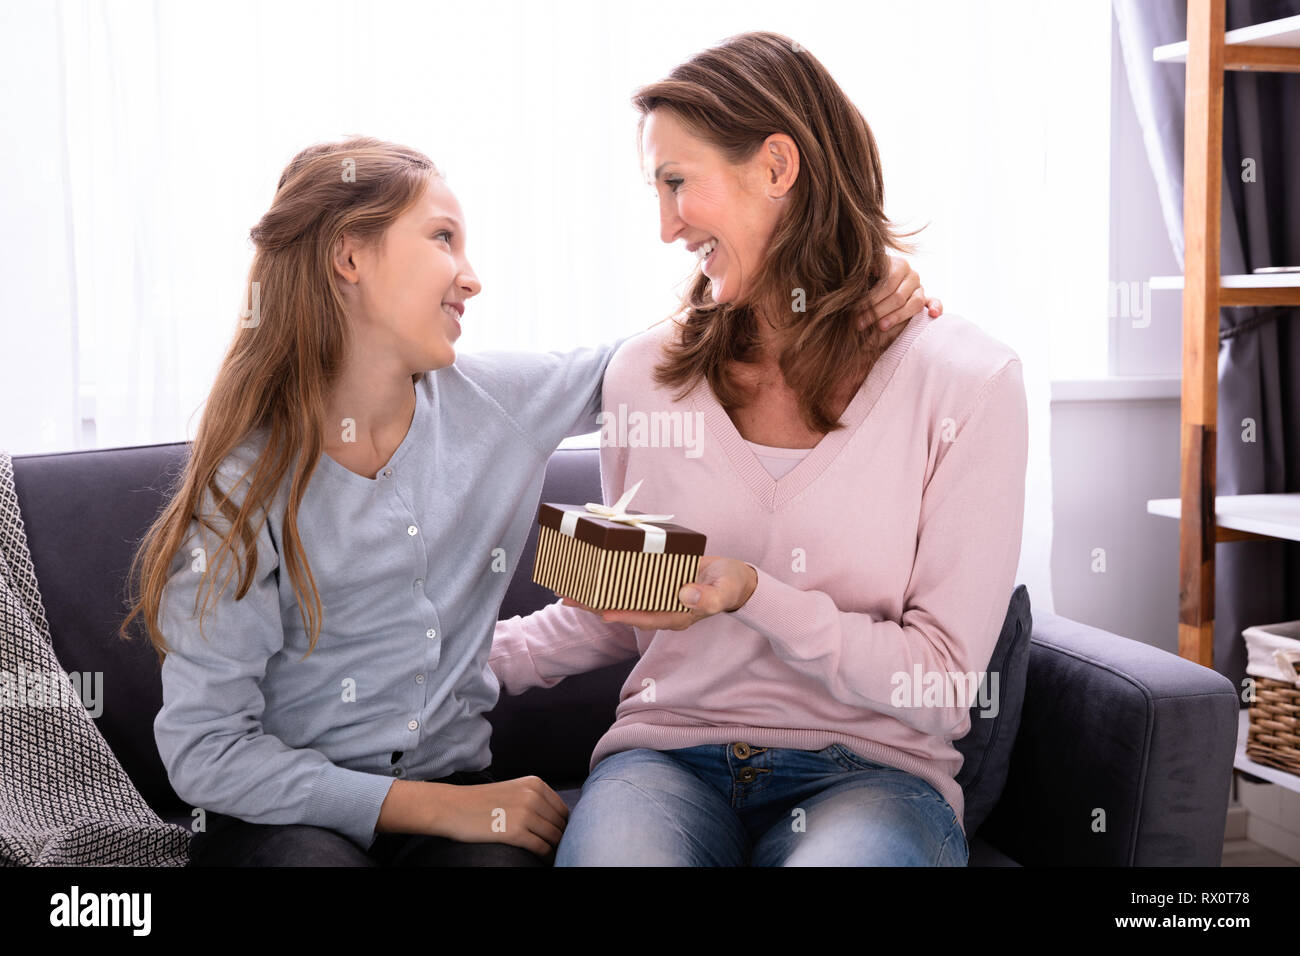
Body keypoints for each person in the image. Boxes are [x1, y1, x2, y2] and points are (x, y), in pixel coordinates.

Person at [121, 133, 939, 866]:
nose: (471, 278)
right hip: (287, 820)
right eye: (442, 239)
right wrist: (442, 808)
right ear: (350, 257)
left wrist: (854, 281)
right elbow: (206, 754)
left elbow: (669, 353)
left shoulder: (499, 402)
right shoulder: (242, 484)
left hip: (460, 801)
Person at [489, 32, 1028, 866]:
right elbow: (619, 613)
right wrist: (444, 670)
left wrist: (752, 595)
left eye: (677, 184)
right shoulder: (645, 377)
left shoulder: (967, 382)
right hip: (666, 762)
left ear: (778, 167)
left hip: (873, 775)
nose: (666, 225)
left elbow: (944, 679)